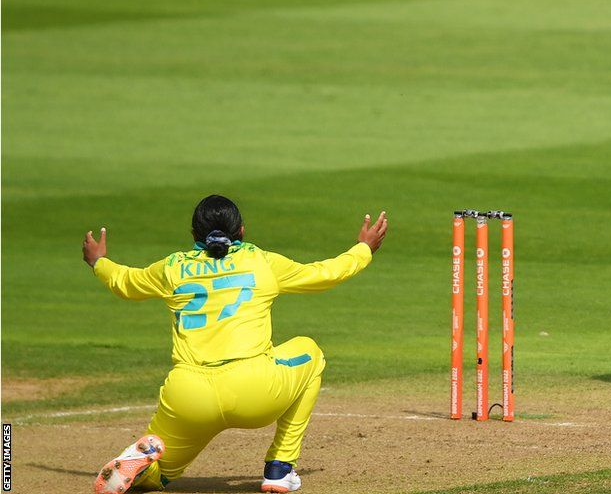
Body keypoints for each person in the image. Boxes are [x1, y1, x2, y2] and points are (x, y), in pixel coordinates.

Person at [83, 195, 388, 493]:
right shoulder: (260, 261)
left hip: (189, 396)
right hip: (255, 391)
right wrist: (363, 249)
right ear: (242, 230)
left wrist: (98, 262)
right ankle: (280, 469)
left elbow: (125, 282)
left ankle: (141, 467)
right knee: (311, 353)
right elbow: (325, 274)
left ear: (193, 235)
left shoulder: (172, 268)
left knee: (161, 476)